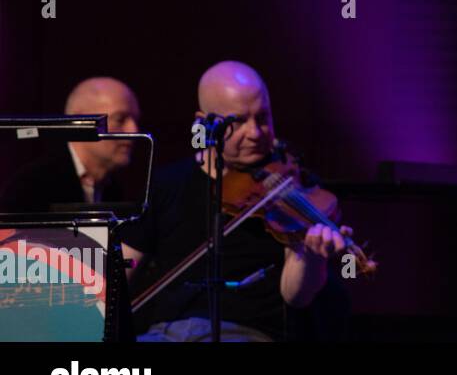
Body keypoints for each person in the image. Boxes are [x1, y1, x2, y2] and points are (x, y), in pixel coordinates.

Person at [118, 61, 349, 341]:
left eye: (263, 117)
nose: (255, 133)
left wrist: (312, 257)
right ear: (204, 122)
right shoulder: (166, 184)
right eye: (238, 121)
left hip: (246, 334)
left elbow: (296, 297)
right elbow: (121, 273)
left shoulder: (295, 188)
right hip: (164, 334)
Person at [0, 77, 140, 212]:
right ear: (79, 122)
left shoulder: (114, 189)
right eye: (120, 119)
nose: (133, 131)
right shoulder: (33, 185)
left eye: (135, 120)